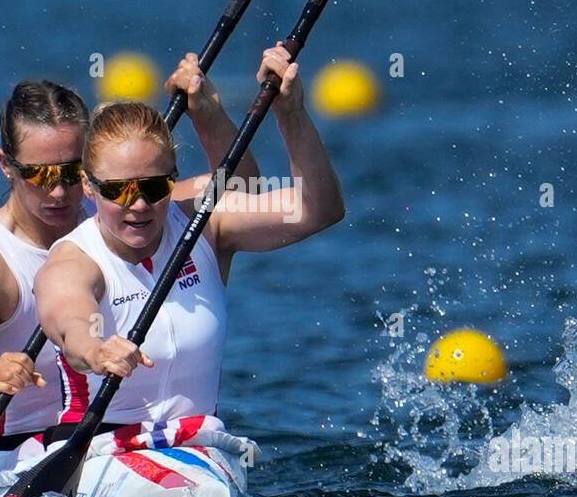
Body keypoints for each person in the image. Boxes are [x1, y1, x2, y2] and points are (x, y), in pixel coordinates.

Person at [0, 56, 258, 468]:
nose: (61, 192)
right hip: (19, 460)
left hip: (115, 445)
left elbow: (244, 194)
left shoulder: (124, 212)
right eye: (41, 175)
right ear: (5, 164)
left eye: (71, 172)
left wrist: (207, 114)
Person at [33, 44, 344, 436]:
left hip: (200, 446)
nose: (140, 204)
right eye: (118, 190)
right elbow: (67, 320)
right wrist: (95, 350)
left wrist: (291, 114)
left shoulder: (201, 221)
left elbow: (319, 209)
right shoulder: (73, 262)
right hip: (98, 450)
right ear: (88, 187)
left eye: (153, 185)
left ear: (174, 178)